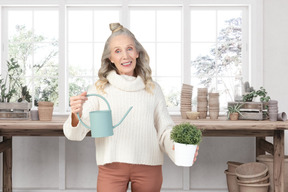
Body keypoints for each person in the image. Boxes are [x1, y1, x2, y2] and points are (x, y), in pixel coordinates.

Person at [63, 23, 199, 192]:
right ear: (110, 58)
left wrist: (177, 147)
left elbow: (165, 130)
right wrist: (76, 113)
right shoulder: (99, 88)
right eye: (117, 51)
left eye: (129, 49)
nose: (125, 56)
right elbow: (75, 134)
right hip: (111, 167)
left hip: (149, 166)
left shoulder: (153, 89)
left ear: (137, 53)